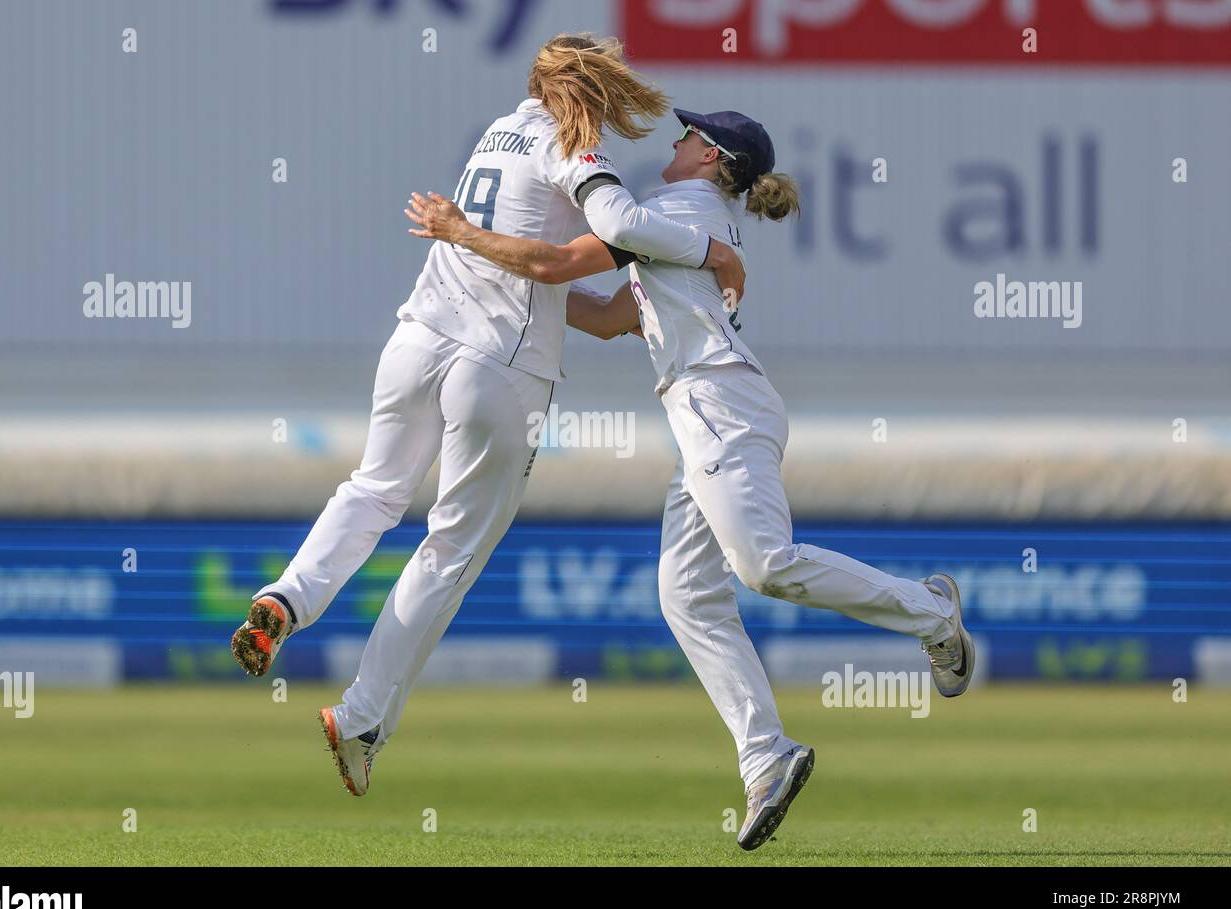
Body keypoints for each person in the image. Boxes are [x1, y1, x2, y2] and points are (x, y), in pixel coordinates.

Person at [405, 107, 975, 850]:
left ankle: (932, 612)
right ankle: (767, 757)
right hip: (707, 412)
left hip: (720, 404)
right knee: (687, 599)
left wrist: (465, 235)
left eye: (687, 136)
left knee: (764, 565)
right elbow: (612, 318)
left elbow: (555, 264)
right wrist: (501, 287)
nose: (673, 142)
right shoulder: (683, 216)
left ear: (710, 157)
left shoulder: (673, 209)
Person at [228, 35, 746, 798]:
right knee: (450, 550)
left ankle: (287, 597)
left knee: (372, 490)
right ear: (591, 92)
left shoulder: (497, 135)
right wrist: (712, 255)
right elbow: (615, 228)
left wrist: (639, 317)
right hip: (497, 367)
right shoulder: (572, 147)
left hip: (416, 339)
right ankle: (364, 718)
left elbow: (581, 305)